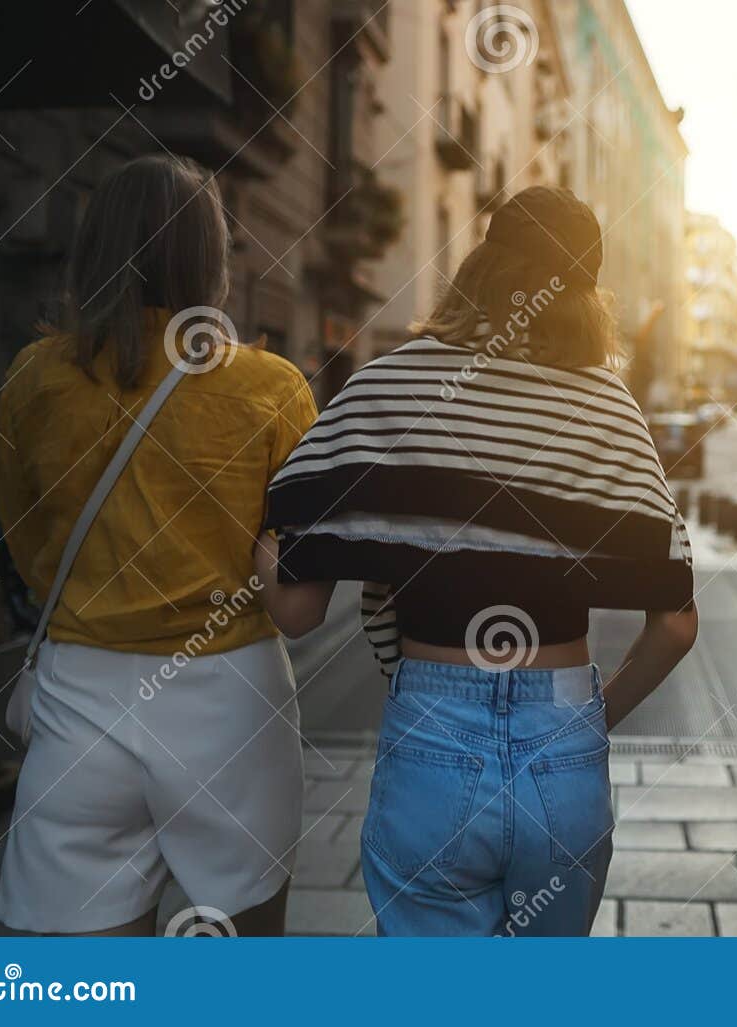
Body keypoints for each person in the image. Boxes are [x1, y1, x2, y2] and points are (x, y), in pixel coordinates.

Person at [256, 186, 698, 937]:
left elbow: (296, 607)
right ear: (588, 302)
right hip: (562, 742)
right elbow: (678, 625)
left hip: (433, 738)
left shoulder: (388, 385)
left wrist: (256, 527)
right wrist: (593, 717)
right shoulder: (610, 410)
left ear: (479, 270)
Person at [0, 155, 318, 936]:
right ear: (210, 261)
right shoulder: (273, 388)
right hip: (230, 700)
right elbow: (296, 558)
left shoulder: (35, 378)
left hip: (81, 694)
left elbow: (24, 539)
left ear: (94, 249)